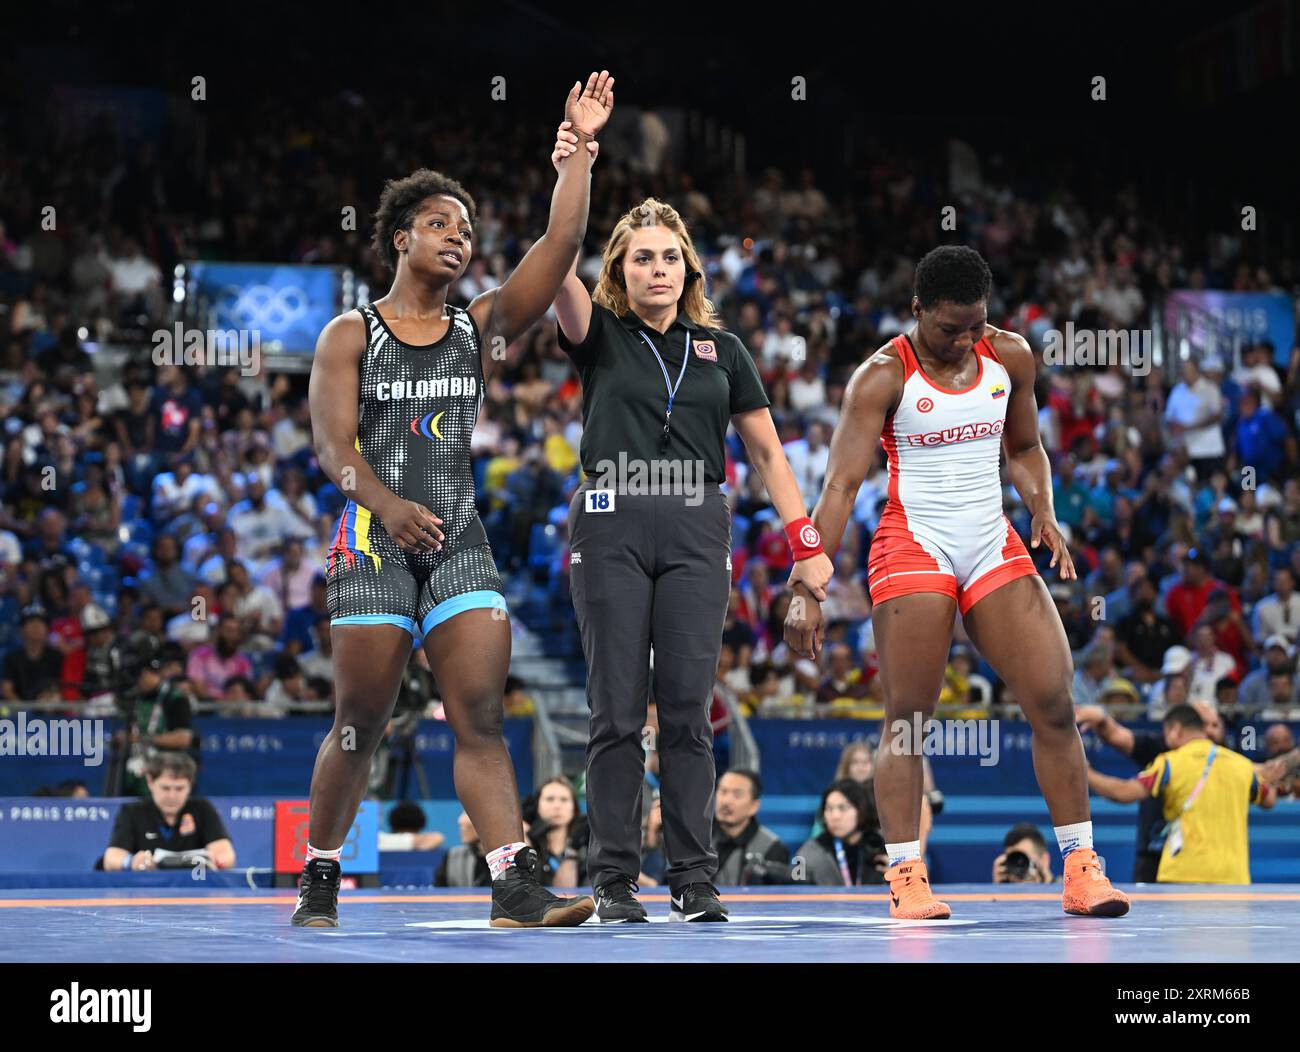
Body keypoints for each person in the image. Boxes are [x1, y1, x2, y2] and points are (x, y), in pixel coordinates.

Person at [295, 73, 616, 929]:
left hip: (458, 538)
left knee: (478, 711)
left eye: (467, 229)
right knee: (360, 721)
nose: (458, 237)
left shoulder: (485, 327)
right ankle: (320, 873)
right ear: (401, 238)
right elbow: (332, 449)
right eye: (440, 223)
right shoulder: (349, 333)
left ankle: (514, 882)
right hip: (370, 534)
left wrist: (577, 147)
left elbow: (562, 239)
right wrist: (387, 503)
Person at [786, 245, 1130, 919]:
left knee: (1054, 703)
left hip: (989, 536)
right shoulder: (881, 377)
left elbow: (1025, 449)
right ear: (917, 311)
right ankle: (907, 875)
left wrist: (1043, 509)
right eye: (950, 328)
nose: (966, 339)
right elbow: (840, 485)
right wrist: (807, 586)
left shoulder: (1012, 355)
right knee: (909, 722)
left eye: (976, 325)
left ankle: (1082, 868)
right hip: (913, 541)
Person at [550, 136, 833, 923]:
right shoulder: (598, 334)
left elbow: (770, 455)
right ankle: (612, 879)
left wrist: (806, 550)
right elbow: (555, 258)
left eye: (670, 256)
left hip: (697, 526)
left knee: (687, 708)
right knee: (614, 712)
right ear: (620, 269)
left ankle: (694, 878)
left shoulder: (724, 350)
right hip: (610, 520)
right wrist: (576, 166)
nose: (658, 269)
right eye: (641, 258)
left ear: (690, 269)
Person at [1086, 704, 1275, 884]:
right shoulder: (1242, 765)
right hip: (1234, 877)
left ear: (1176, 729)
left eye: (1166, 733)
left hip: (1183, 875)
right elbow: (1269, 799)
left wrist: (1086, 773)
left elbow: (1124, 793)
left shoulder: (1168, 763)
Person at [102, 752, 234, 871]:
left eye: (179, 789)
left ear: (190, 785)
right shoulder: (132, 811)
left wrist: (217, 860)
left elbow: (226, 855)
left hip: (194, 888)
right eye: (165, 788)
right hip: (144, 890)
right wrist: (132, 862)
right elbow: (112, 858)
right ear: (150, 782)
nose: (172, 796)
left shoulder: (203, 809)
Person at [794, 779, 887, 885]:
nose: (834, 816)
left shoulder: (883, 845)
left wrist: (898, 875)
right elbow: (793, 884)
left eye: (843, 808)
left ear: (861, 809)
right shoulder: (809, 852)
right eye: (829, 808)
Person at [712, 769, 791, 885]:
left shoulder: (772, 848)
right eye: (723, 792)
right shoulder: (696, 837)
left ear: (754, 806)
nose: (726, 801)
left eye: (737, 795)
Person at [434, 812, 491, 888]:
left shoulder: (508, 858)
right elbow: (438, 892)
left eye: (468, 813)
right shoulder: (454, 856)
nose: (460, 820)